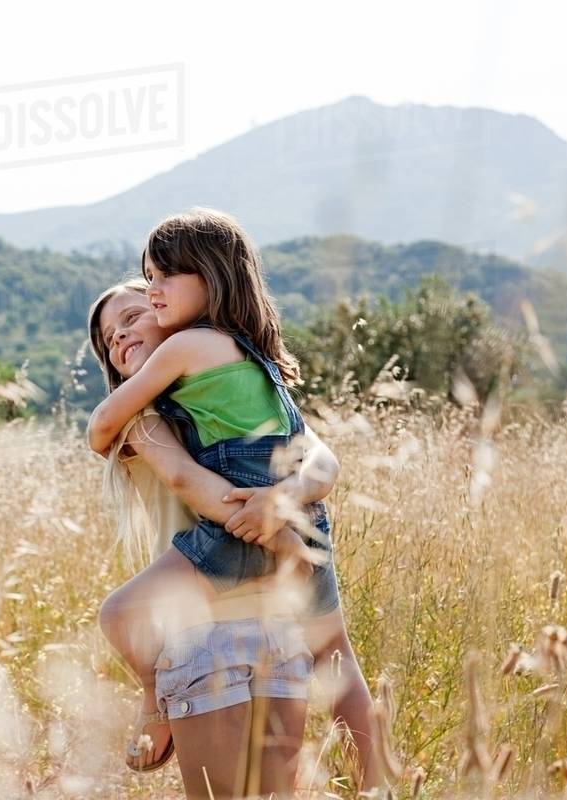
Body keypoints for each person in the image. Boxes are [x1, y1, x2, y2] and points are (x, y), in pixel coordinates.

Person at [88, 209, 379, 793]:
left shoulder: (191, 360)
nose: (118, 335)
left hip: (221, 620)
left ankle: (153, 705)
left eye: (135, 313)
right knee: (336, 655)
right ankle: (380, 782)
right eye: (106, 338)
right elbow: (315, 462)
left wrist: (278, 511)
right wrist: (285, 513)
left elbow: (311, 464)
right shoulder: (205, 391)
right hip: (269, 601)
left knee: (118, 615)